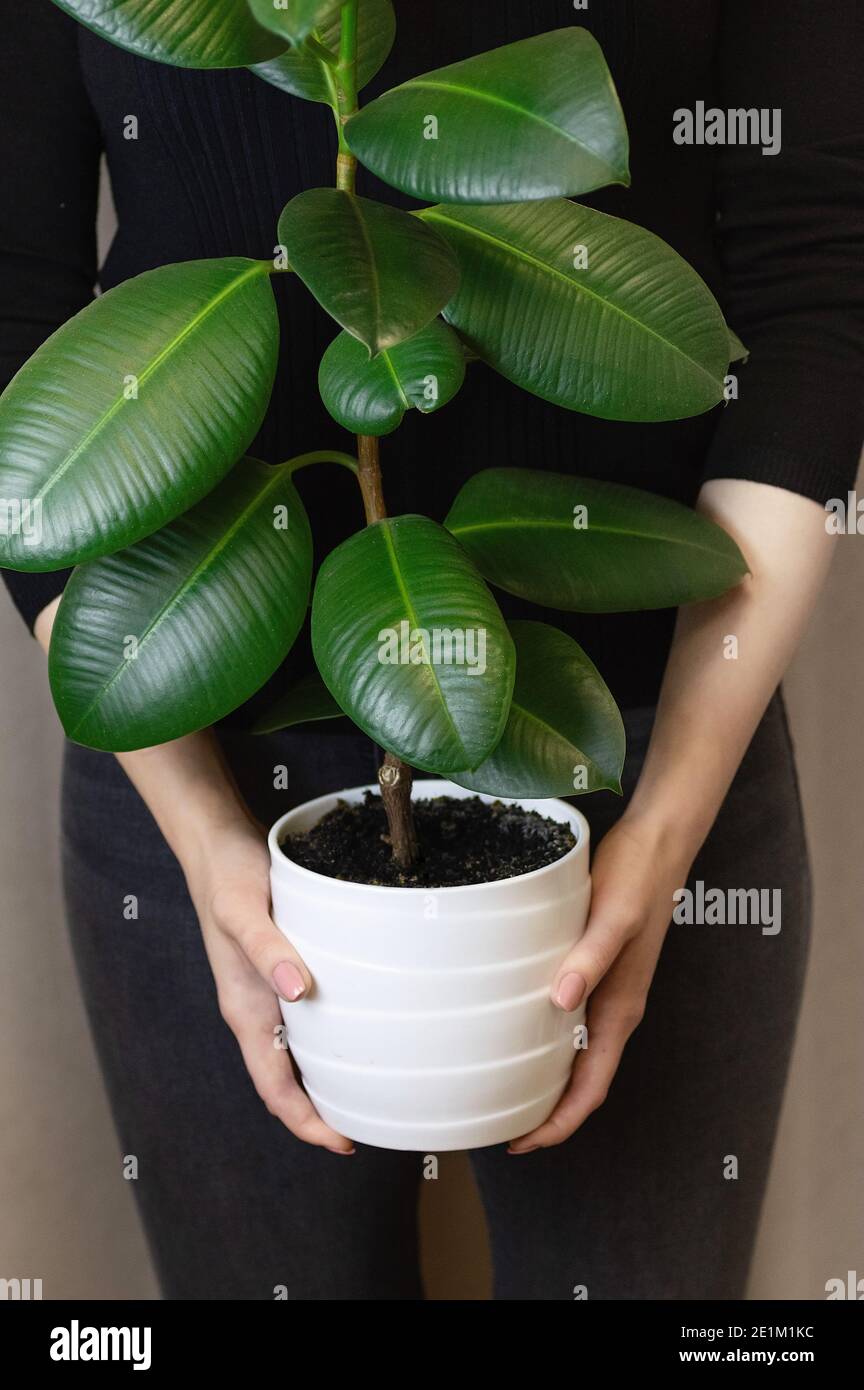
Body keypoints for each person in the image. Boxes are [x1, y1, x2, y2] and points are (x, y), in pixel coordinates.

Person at [1, 0, 861, 1300]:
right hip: (199, 729)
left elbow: (813, 292)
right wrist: (200, 826)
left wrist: (670, 827)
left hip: (635, 731)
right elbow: (16, 312)